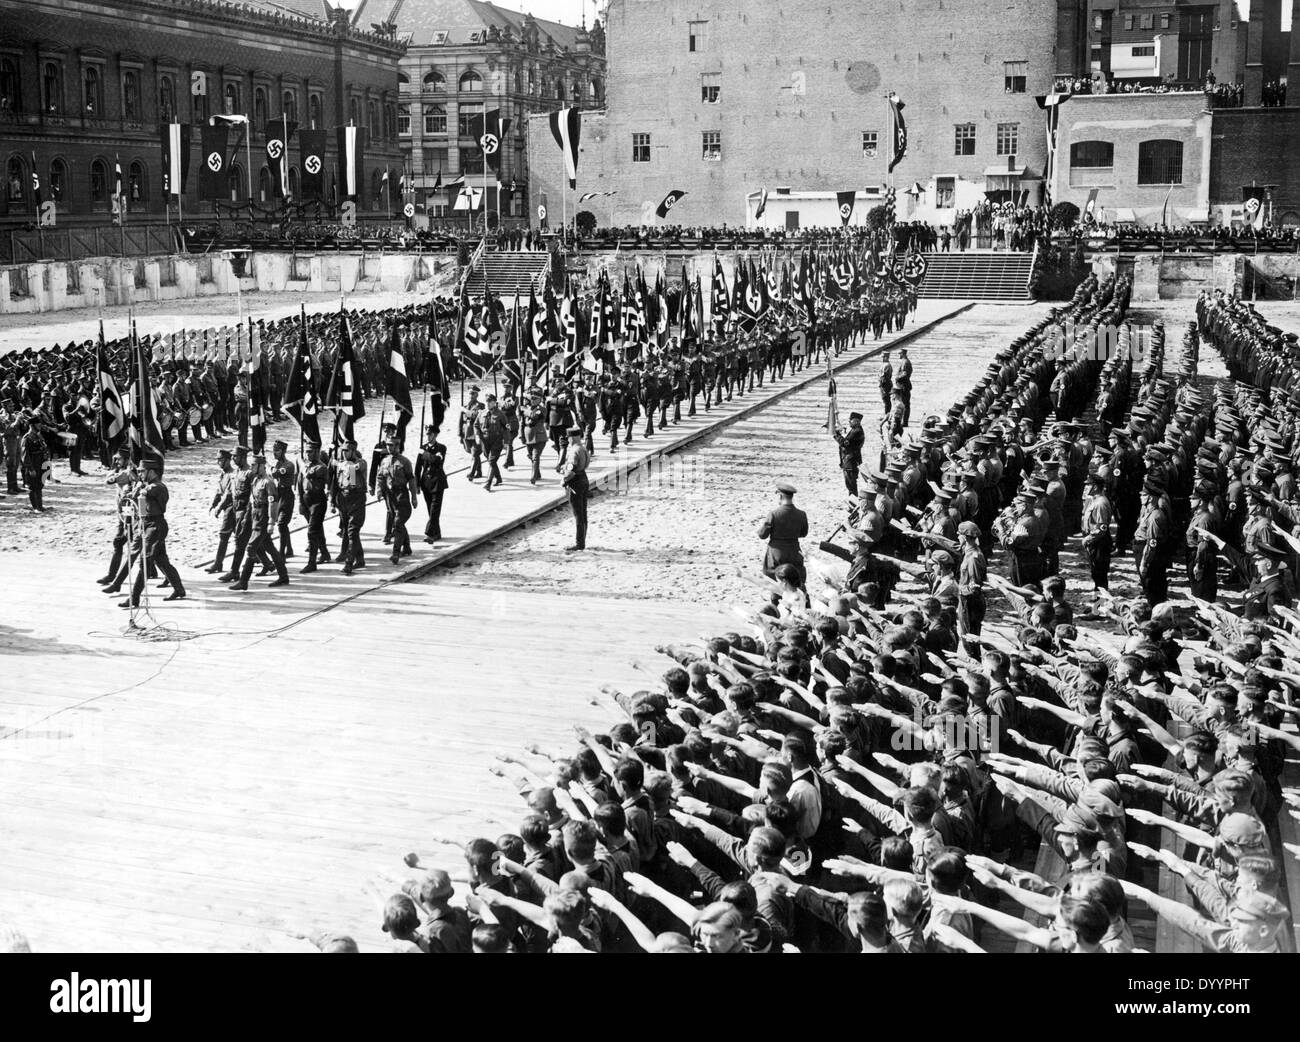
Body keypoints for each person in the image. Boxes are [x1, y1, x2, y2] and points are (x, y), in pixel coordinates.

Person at [122, 453, 186, 608]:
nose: (140, 475)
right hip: (148, 525)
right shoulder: (146, 486)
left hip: (155, 526)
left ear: (152, 472)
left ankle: (134, 597)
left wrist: (138, 488)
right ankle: (179, 589)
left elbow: (144, 493)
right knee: (161, 560)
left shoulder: (158, 486)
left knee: (145, 562)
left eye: (143, 472)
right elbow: (134, 499)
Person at [230, 453, 289, 591]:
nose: (251, 467)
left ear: (261, 466)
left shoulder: (268, 483)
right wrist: (247, 517)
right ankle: (283, 575)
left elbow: (273, 504)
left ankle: (244, 581)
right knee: (269, 546)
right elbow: (252, 500)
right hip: (254, 514)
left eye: (254, 465)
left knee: (251, 548)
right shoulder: (256, 480)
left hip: (263, 517)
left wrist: (271, 522)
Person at [758, 483, 808, 587]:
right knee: (794, 583)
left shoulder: (774, 514)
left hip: (776, 553)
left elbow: (762, 535)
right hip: (794, 551)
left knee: (775, 583)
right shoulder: (801, 514)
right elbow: (804, 533)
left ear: (780, 496)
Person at [377, 434, 416, 564]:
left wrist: (414, 497)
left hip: (402, 495)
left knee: (398, 523)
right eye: (387, 445)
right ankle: (407, 547)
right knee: (398, 522)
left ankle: (395, 553)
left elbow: (411, 479)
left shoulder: (405, 462)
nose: (389, 447)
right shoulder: (384, 461)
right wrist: (379, 491)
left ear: (398, 446)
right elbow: (381, 477)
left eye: (391, 445)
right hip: (390, 496)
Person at [331, 440, 367, 576]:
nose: (344, 453)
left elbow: (352, 472)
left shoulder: (361, 463)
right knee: (349, 530)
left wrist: (338, 464)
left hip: (356, 498)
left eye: (346, 451)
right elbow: (336, 482)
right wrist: (333, 501)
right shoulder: (343, 464)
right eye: (342, 450)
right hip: (343, 498)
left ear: (353, 451)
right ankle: (360, 559)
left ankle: (348, 563)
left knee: (353, 530)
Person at [298, 442, 332, 573]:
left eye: (310, 452)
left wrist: (303, 467)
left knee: (312, 532)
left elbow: (310, 474)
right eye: (306, 452)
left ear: (317, 452)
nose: (307, 454)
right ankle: (324, 553)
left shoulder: (321, 467)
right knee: (317, 529)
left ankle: (311, 563)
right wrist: (300, 502)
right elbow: (300, 484)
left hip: (318, 501)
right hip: (307, 500)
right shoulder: (304, 465)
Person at [415, 425, 449, 543]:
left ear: (435, 435)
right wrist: (417, 484)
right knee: (430, 509)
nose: (428, 436)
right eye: (427, 434)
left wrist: (424, 453)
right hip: (426, 482)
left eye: (430, 434)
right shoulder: (422, 448)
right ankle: (437, 533)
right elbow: (417, 467)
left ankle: (429, 533)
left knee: (435, 509)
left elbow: (437, 460)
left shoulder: (441, 448)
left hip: (438, 482)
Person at [562, 425, 589, 551]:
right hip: (584, 478)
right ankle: (582, 540)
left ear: (572, 438)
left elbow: (571, 469)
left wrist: (564, 479)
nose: (568, 440)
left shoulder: (573, 450)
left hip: (575, 481)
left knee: (578, 514)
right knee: (583, 512)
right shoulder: (583, 448)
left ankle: (579, 543)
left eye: (569, 438)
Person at [834, 412, 865, 497]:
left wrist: (836, 435)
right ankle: (852, 501)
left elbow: (845, 443)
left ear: (856, 421)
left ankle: (853, 502)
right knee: (850, 484)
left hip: (851, 461)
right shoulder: (855, 429)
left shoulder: (857, 431)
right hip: (850, 460)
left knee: (851, 485)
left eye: (850, 420)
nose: (849, 422)